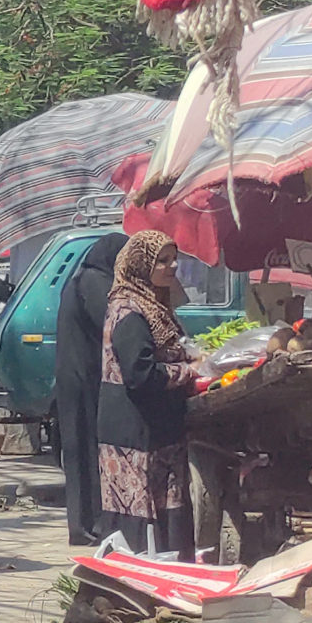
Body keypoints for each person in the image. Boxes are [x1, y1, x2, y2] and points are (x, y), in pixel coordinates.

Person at [98, 230, 200, 556]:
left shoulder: (154, 305)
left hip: (157, 430)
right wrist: (188, 372)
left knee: (167, 516)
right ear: (142, 266)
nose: (172, 267)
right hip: (134, 433)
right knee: (141, 530)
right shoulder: (130, 312)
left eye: (174, 260)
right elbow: (140, 375)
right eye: (162, 261)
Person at [54, 232, 127, 545]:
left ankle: (86, 525)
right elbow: (111, 323)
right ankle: (89, 525)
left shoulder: (83, 278)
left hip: (76, 377)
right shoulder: (94, 281)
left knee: (81, 451)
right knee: (84, 451)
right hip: (83, 378)